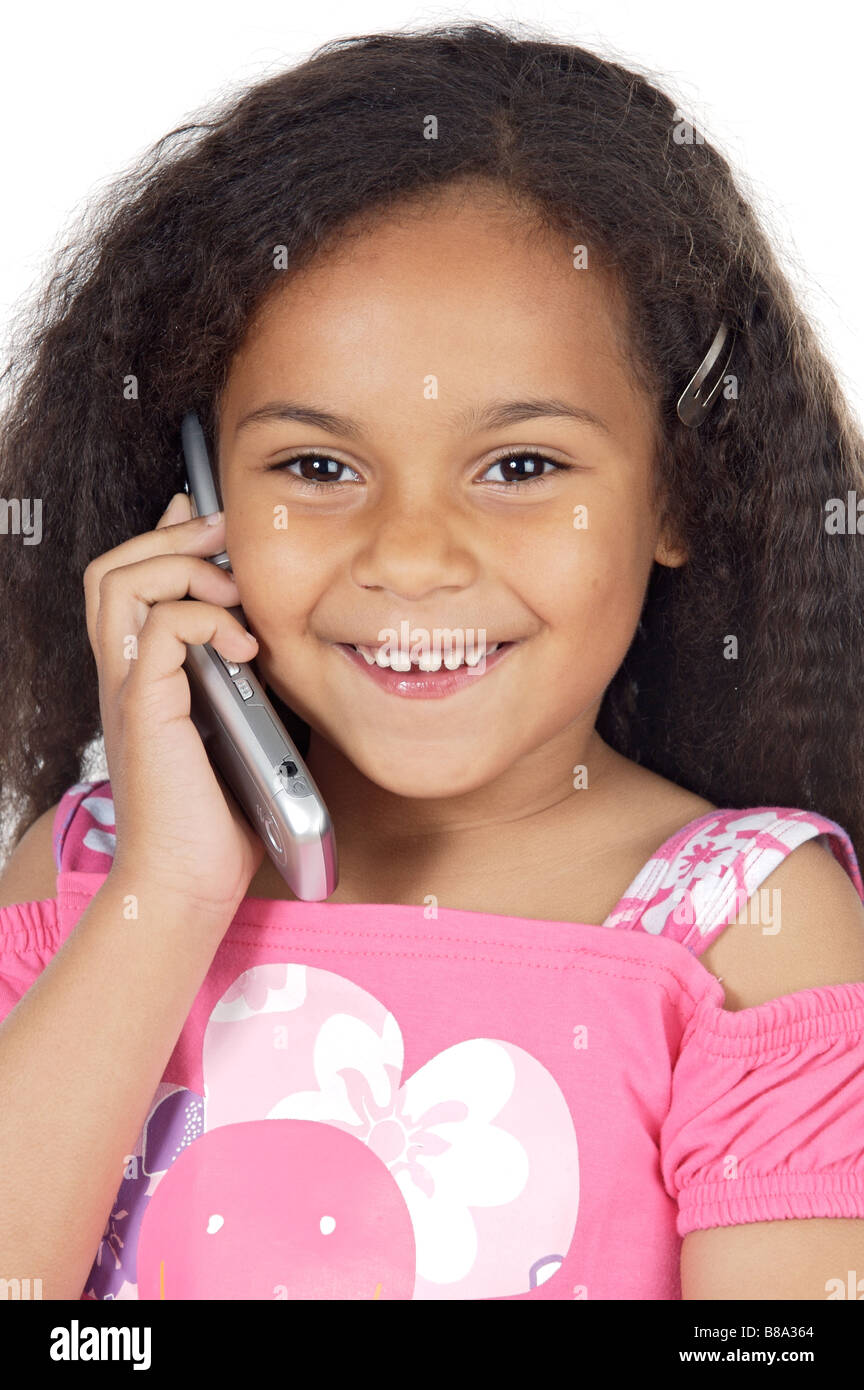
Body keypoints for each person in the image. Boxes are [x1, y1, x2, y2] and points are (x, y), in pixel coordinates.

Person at [0, 21, 862, 1302]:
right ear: (198, 500)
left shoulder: (749, 927)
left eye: (520, 466)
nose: (410, 557)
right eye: (316, 466)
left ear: (680, 494)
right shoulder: (91, 873)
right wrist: (167, 892)